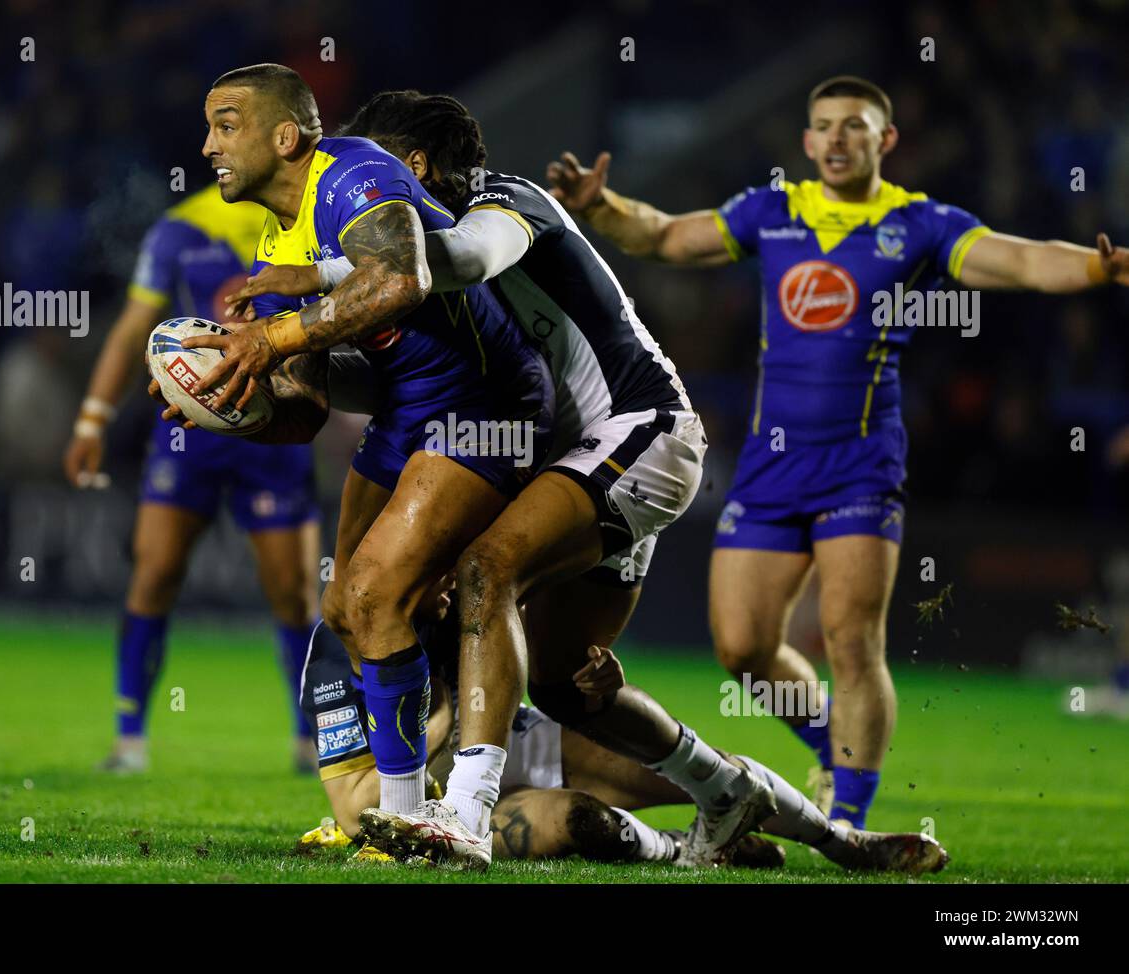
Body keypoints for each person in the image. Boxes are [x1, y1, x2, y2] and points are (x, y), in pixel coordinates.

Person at [545, 75, 1129, 827]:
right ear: (808, 142)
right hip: (771, 466)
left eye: (854, 126)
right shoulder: (774, 212)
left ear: (885, 141)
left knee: (854, 639)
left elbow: (1015, 261)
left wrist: (1093, 266)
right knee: (744, 648)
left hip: (861, 461)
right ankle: (831, 744)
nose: (837, 139)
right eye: (824, 126)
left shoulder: (918, 224)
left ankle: (848, 812)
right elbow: (663, 235)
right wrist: (603, 209)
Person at [228, 90, 774, 871]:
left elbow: (462, 260)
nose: (353, 191)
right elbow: (382, 378)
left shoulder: (504, 201)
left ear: (411, 167)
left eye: (374, 169)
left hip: (639, 427)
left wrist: (318, 273)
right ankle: (726, 791)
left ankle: (465, 814)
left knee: (485, 572)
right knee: (563, 683)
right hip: (565, 454)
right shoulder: (415, 282)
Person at [167, 64, 555, 839]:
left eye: (226, 122)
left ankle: (405, 820)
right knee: (347, 608)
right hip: (408, 412)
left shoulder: (355, 172)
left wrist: (267, 338)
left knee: (377, 597)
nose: (208, 144)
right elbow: (303, 414)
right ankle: (433, 777)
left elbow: (399, 280)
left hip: (483, 404)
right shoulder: (278, 248)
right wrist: (224, 405)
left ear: (286, 136)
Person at [300, 610, 948, 875]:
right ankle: (685, 850)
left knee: (711, 775)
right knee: (579, 822)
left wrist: (598, 678)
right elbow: (357, 812)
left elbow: (550, 663)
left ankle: (843, 843)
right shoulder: (340, 642)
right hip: (439, 806)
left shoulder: (477, 587)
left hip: (519, 744)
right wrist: (439, 718)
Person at [63, 184, 319, 772]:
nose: (219, 150)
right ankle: (129, 740)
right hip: (189, 429)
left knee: (294, 593)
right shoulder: (179, 228)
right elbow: (134, 328)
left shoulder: (304, 216)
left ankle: (309, 740)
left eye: (228, 132)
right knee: (153, 573)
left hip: (274, 428)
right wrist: (91, 420)